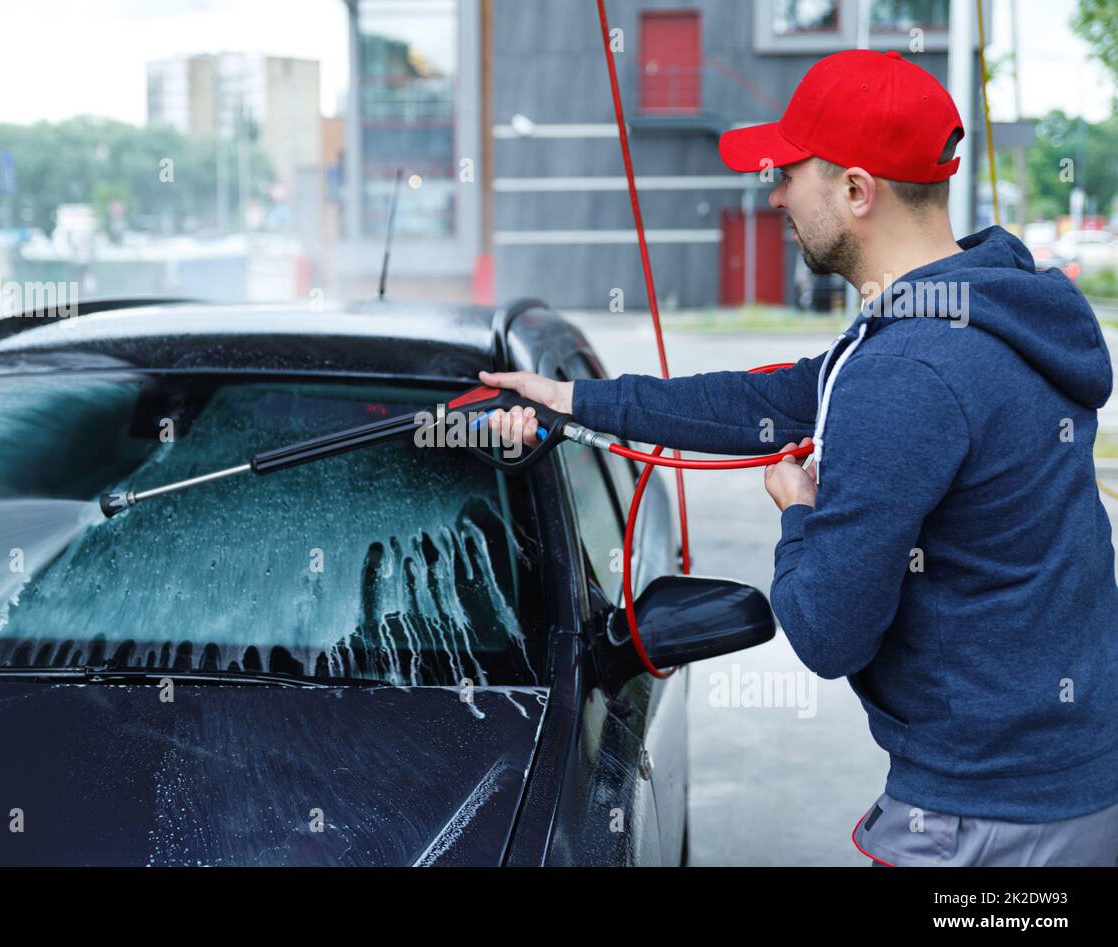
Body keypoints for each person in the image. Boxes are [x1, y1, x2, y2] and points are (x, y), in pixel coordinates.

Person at [479, 49, 1118, 866]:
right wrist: (580, 401)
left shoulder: (909, 370)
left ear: (856, 191)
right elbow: (780, 398)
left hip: (992, 818)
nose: (774, 193)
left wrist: (799, 511)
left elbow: (825, 630)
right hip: (1067, 780)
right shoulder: (984, 307)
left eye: (788, 173)